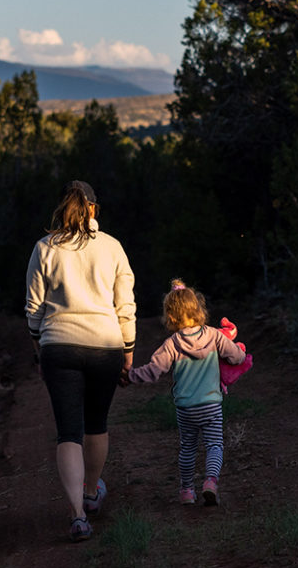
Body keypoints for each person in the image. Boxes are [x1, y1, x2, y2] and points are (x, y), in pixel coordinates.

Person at [25, 180, 136, 542]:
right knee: (97, 424)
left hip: (59, 347)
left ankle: (77, 516)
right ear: (92, 208)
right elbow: (125, 306)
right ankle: (91, 493)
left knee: (68, 432)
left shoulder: (45, 248)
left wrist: (40, 349)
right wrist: (128, 352)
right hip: (106, 345)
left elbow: (33, 309)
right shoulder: (112, 247)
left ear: (62, 207)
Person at [123, 279, 247, 506]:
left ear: (171, 316)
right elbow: (237, 357)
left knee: (188, 448)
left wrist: (129, 376)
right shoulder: (214, 335)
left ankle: (187, 491)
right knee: (214, 445)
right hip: (211, 405)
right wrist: (238, 353)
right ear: (198, 308)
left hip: (185, 407)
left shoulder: (172, 344)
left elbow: (154, 370)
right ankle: (210, 481)